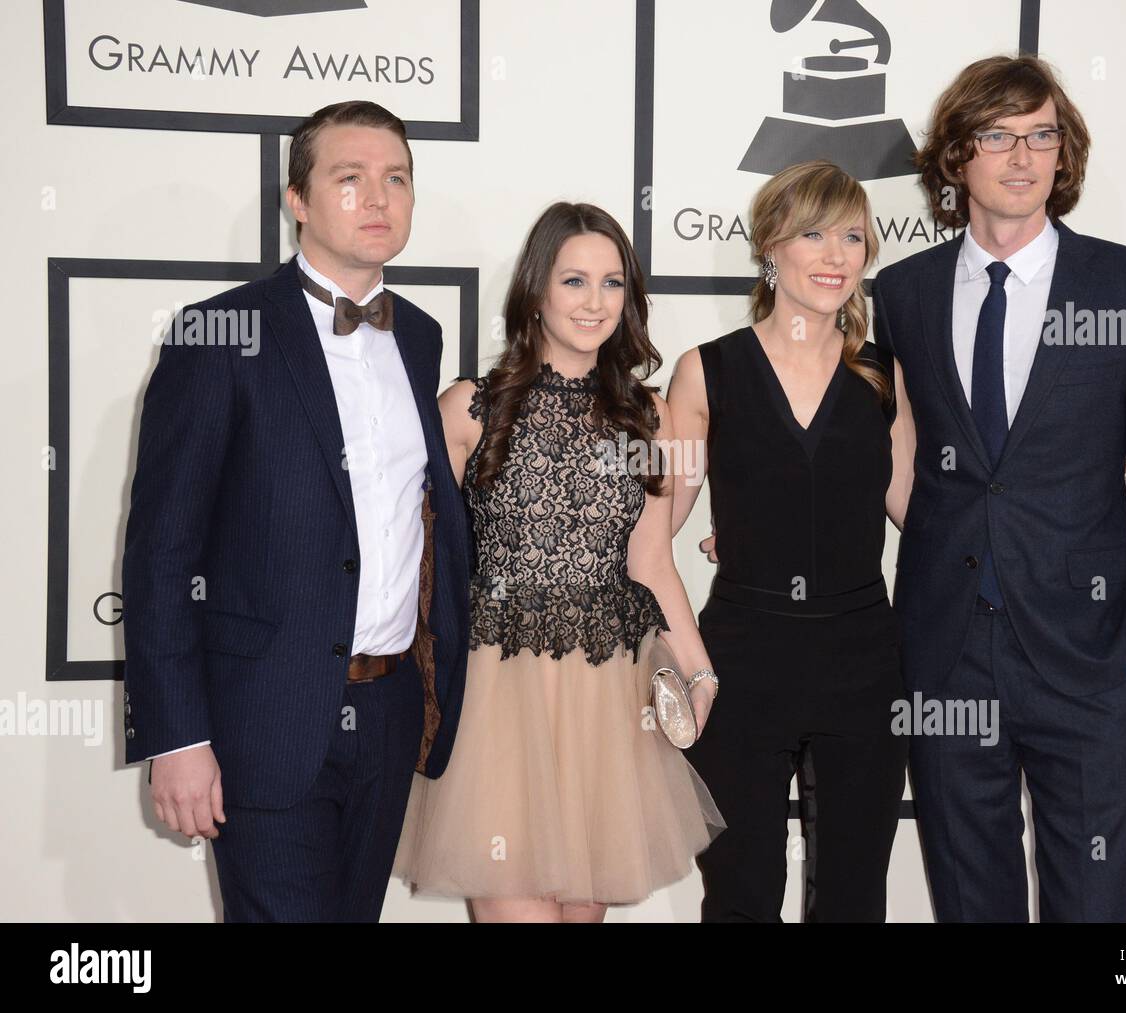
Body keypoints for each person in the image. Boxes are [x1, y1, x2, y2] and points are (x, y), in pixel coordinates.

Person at [121, 100, 470, 922]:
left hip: (387, 718)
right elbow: (162, 553)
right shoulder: (219, 333)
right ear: (298, 200)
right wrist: (176, 736)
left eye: (396, 179)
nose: (378, 199)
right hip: (266, 719)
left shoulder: (418, 337)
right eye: (349, 180)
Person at [873, 55, 1126, 921]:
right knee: (967, 901)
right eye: (998, 135)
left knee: (1091, 903)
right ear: (957, 156)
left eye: (1042, 135)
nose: (1023, 157)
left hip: (1089, 661)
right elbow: (882, 452)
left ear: (1064, 154)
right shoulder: (901, 293)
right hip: (947, 654)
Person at [394, 201, 725, 923]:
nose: (595, 301)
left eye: (613, 283)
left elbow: (653, 562)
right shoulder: (468, 409)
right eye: (575, 280)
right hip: (495, 697)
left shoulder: (650, 415)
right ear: (537, 290)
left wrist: (698, 670)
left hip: (606, 696)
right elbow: (418, 563)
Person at [670, 160, 910, 922]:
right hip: (742, 663)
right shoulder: (705, 372)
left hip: (865, 666)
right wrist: (691, 664)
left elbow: (929, 514)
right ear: (771, 246)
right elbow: (651, 533)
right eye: (814, 233)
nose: (838, 254)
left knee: (852, 897)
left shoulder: (882, 377)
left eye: (851, 234)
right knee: (740, 893)